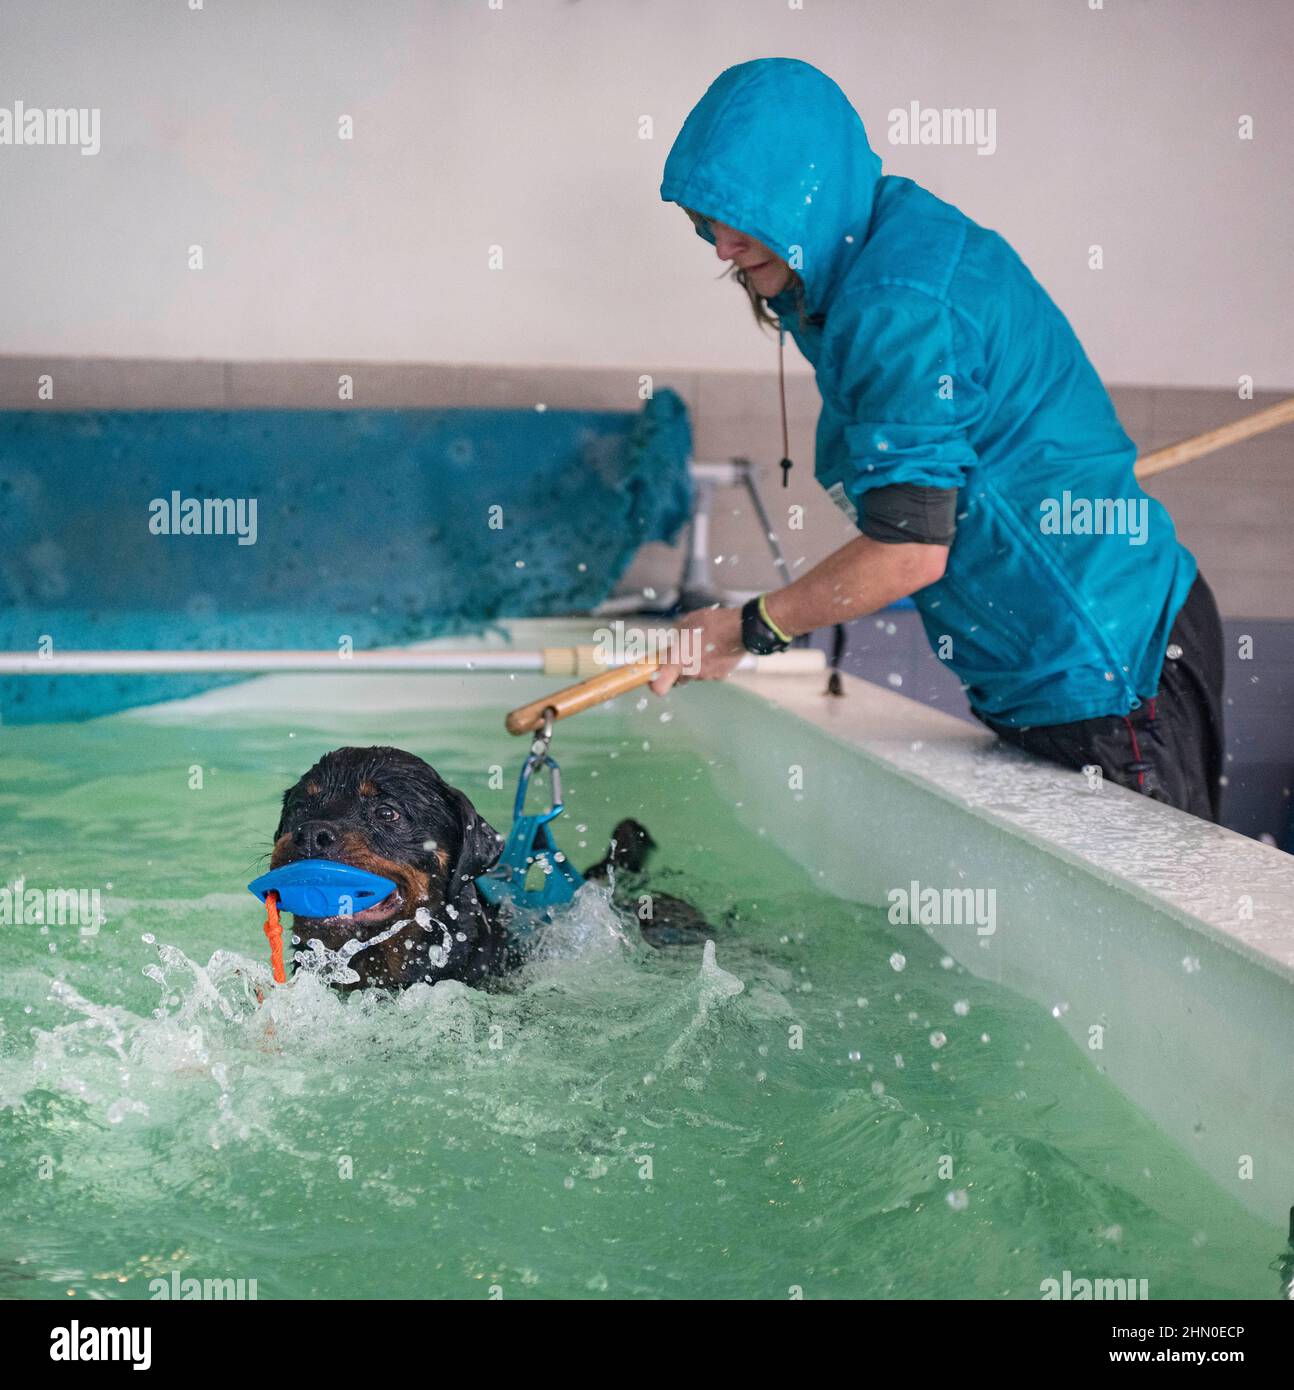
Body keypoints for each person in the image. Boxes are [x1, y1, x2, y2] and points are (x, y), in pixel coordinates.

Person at [650, 57, 1224, 822]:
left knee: (1146, 936)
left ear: (807, 196)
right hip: (1066, 655)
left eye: (743, 217)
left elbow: (910, 549)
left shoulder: (900, 303)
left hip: (1111, 671)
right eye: (706, 220)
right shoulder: (871, 247)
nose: (721, 245)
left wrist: (745, 629)